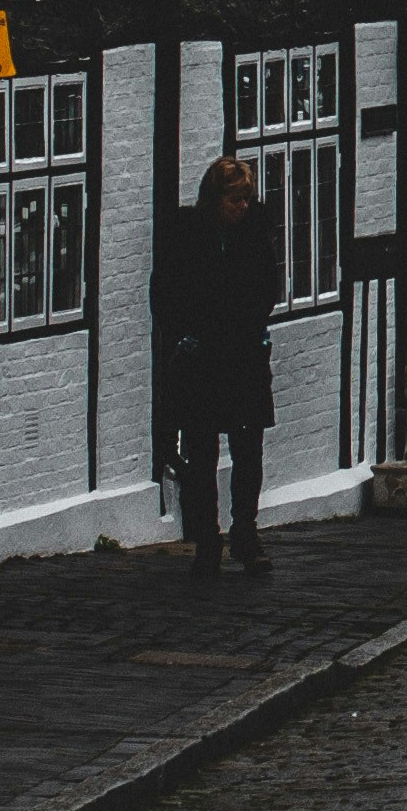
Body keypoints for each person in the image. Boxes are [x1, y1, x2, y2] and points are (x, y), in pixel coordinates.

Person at [157, 155, 280, 582]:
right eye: (234, 200)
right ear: (216, 200)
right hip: (204, 361)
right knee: (201, 453)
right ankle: (208, 541)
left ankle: (245, 533)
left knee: (249, 452)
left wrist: (249, 323)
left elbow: (268, 288)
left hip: (243, 356)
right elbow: (171, 292)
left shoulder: (254, 237)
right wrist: (187, 336)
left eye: (246, 200)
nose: (241, 208)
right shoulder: (192, 237)